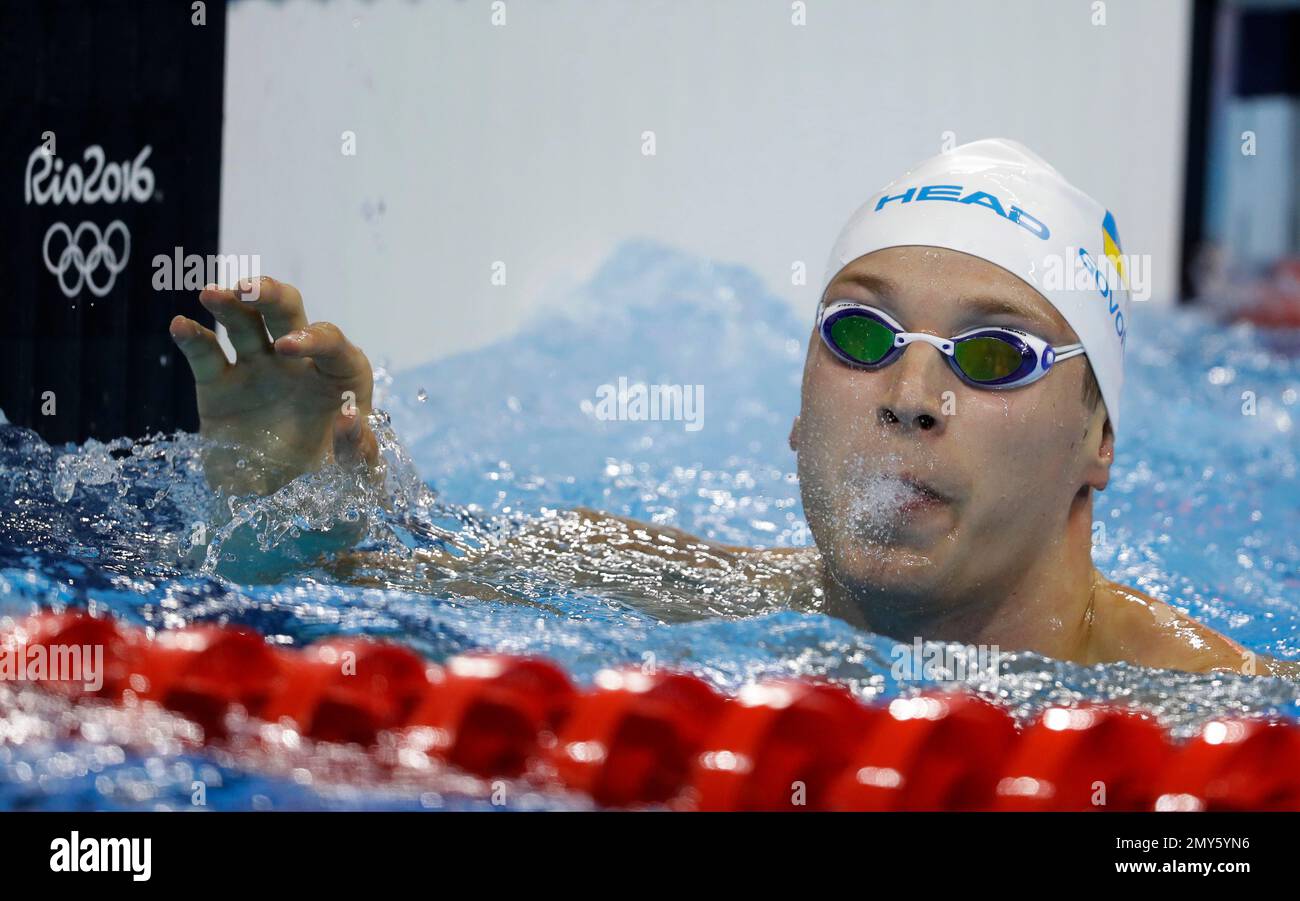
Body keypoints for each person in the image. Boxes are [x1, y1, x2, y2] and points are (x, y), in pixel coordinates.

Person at [168, 138, 1289, 677]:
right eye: (859, 335)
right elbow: (330, 593)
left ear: (1098, 440)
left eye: (992, 354)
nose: (907, 397)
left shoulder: (1207, 710)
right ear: (796, 412)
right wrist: (290, 512)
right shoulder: (651, 591)